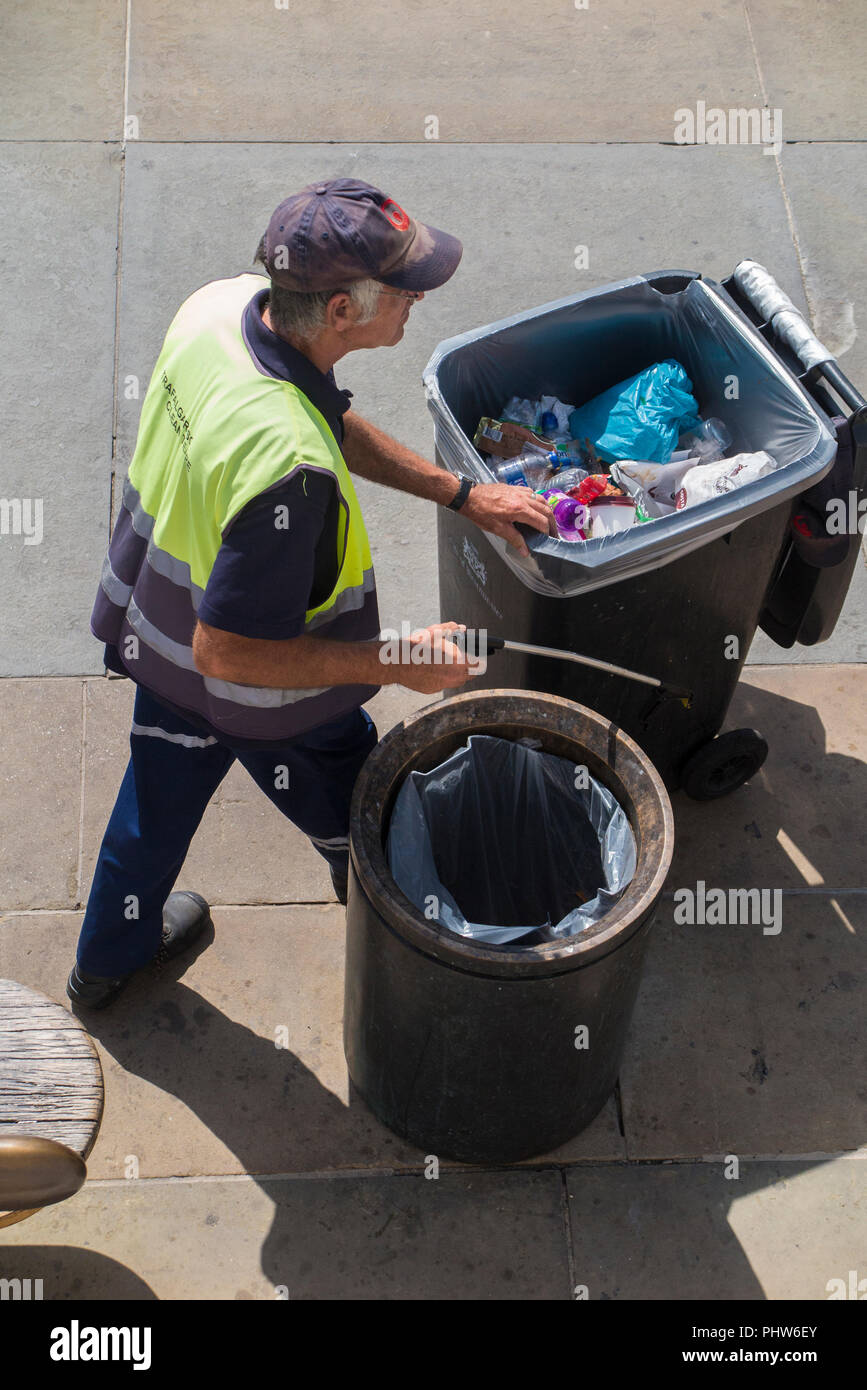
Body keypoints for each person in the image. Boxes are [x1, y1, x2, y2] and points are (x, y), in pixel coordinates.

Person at [68, 177, 557, 1009]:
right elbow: (228, 651)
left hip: (157, 627)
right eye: (405, 290)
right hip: (263, 684)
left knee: (154, 804)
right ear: (339, 310)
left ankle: (104, 965)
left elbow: (317, 412)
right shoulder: (286, 475)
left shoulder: (224, 308)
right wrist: (398, 660)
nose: (417, 301)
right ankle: (408, 944)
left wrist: (461, 495)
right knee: (361, 804)